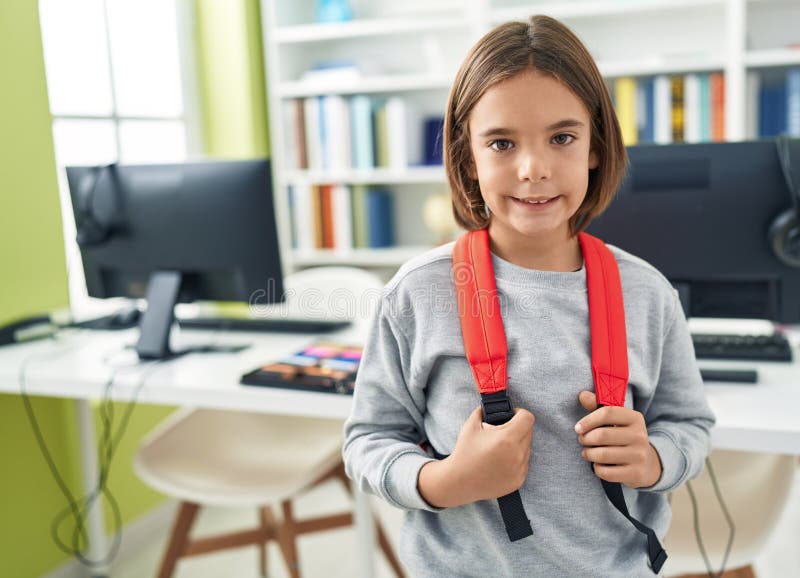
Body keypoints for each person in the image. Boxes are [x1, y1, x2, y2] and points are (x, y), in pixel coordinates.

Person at [343, 14, 715, 577]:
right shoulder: (417, 293)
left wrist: (655, 459)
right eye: (501, 143)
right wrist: (445, 481)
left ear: (595, 146)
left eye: (562, 137)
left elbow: (689, 424)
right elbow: (368, 439)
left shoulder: (647, 293)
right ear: (468, 157)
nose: (534, 169)